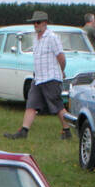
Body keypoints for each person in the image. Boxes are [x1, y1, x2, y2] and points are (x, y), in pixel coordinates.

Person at [4, 12, 69, 141]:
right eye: (34, 22)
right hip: (38, 78)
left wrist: (61, 71)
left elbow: (61, 57)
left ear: (45, 23)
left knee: (58, 107)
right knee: (31, 104)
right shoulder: (36, 39)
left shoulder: (52, 37)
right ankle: (23, 131)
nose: (35, 25)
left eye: (38, 22)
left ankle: (67, 130)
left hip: (51, 78)